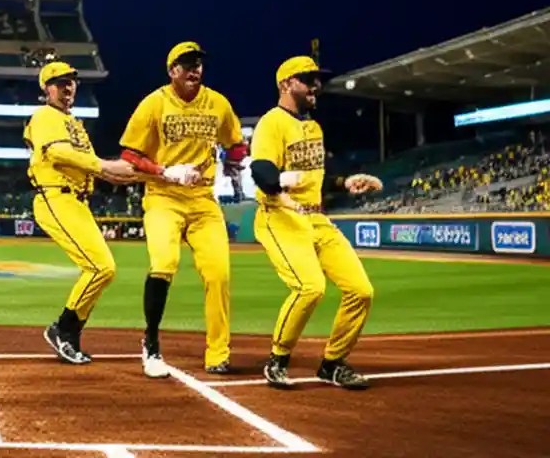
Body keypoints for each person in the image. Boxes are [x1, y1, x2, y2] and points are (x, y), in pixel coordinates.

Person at [249, 56, 382, 389]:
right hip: (280, 216)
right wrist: (280, 180)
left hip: (316, 218)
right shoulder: (272, 123)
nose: (315, 86)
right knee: (310, 288)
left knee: (361, 290)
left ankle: (333, 364)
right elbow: (261, 171)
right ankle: (278, 359)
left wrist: (343, 183)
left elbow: (313, 178)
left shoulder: (313, 127)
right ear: (286, 84)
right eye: (307, 79)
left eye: (317, 79)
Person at [119, 42, 249, 377]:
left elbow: (236, 142)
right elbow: (129, 155)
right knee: (165, 262)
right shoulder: (155, 103)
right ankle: (151, 343)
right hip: (164, 197)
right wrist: (164, 171)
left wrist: (235, 162)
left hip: (203, 200)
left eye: (198, 65)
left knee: (218, 274)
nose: (195, 70)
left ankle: (218, 352)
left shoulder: (218, 103)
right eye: (186, 65)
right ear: (171, 70)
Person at [24, 61, 138, 364]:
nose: (68, 87)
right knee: (100, 267)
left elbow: (95, 166)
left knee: (103, 269)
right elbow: (59, 153)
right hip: (55, 197)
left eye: (72, 82)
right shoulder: (45, 115)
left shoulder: (74, 124)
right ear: (47, 89)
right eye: (60, 83)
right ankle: (64, 330)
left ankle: (66, 330)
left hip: (77, 201)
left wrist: (141, 174)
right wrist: (105, 165)